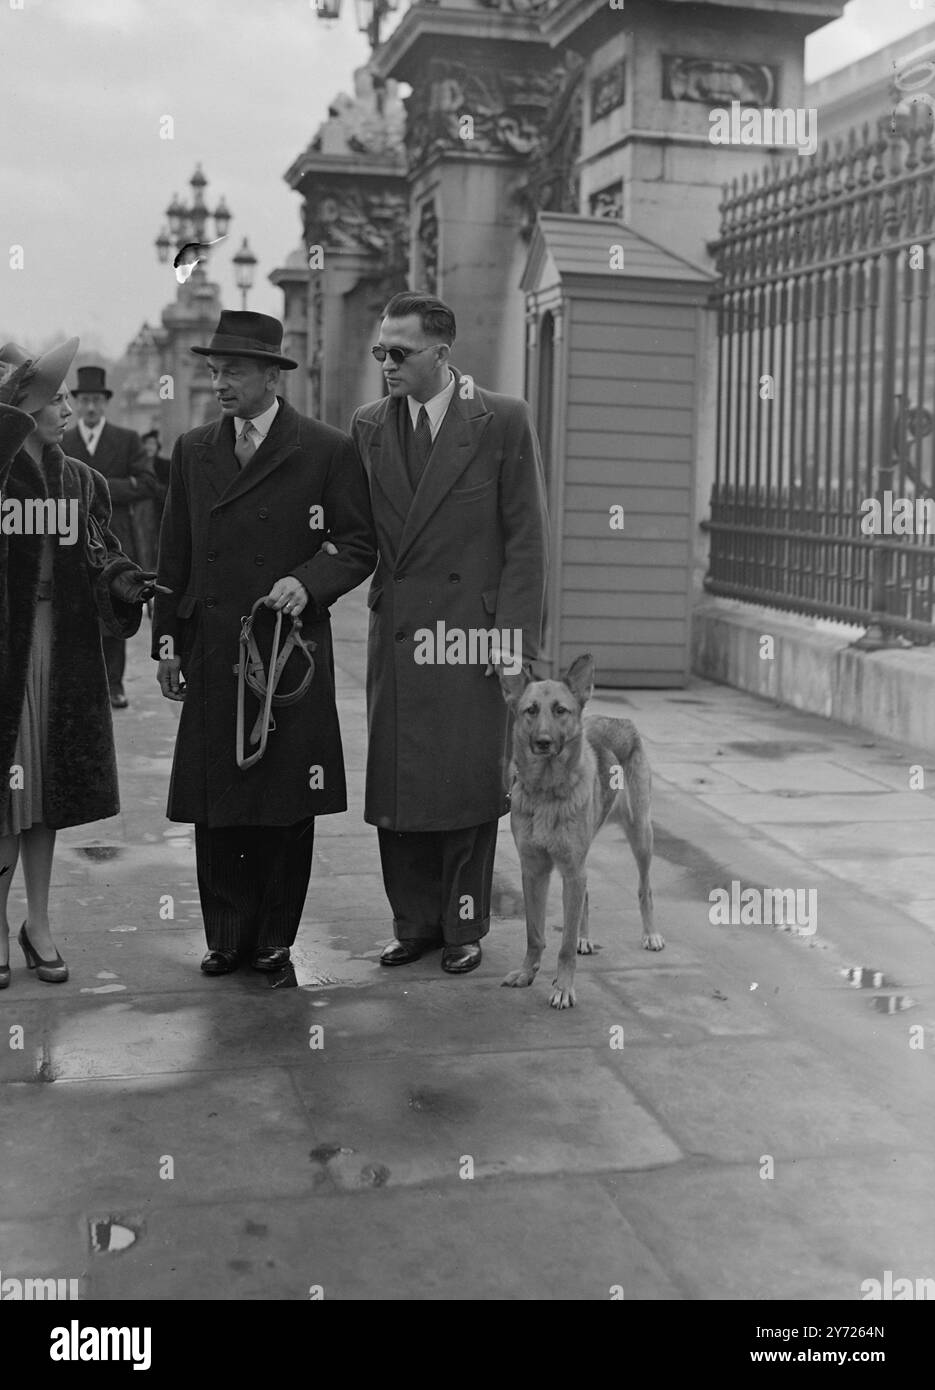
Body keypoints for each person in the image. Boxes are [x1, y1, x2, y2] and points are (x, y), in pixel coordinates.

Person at [153, 310, 376, 978]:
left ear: (271, 376)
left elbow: (357, 543)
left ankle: (275, 937)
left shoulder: (326, 449)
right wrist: (168, 642)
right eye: (215, 371)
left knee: (284, 799)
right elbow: (175, 556)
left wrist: (306, 583)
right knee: (216, 799)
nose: (219, 383)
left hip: (289, 656)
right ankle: (226, 936)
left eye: (234, 372)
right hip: (214, 650)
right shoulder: (193, 450)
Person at [351, 292, 549, 976]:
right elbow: (353, 538)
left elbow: (526, 540)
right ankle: (413, 923)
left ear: (441, 354)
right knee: (399, 783)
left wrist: (513, 644)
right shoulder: (369, 425)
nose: (386, 364)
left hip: (471, 637)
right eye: (380, 351)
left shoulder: (501, 420)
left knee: (466, 782)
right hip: (401, 634)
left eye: (399, 353)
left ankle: (463, 926)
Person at [0, 341, 162, 988]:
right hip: (9, 663)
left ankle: (38, 926)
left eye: (68, 397)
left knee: (46, 799)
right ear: (20, 413)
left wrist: (124, 583)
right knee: (7, 803)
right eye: (53, 399)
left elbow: (101, 556)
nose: (66, 407)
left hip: (62, 657)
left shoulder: (83, 482)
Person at [63, 366, 157, 708]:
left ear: (105, 403)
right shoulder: (63, 440)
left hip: (114, 540)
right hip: (71, 539)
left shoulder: (127, 439)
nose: (90, 408)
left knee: (113, 608)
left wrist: (98, 486)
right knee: (76, 612)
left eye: (96, 401)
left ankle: (115, 684)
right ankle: (82, 685)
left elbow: (147, 483)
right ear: (77, 403)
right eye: (84, 400)